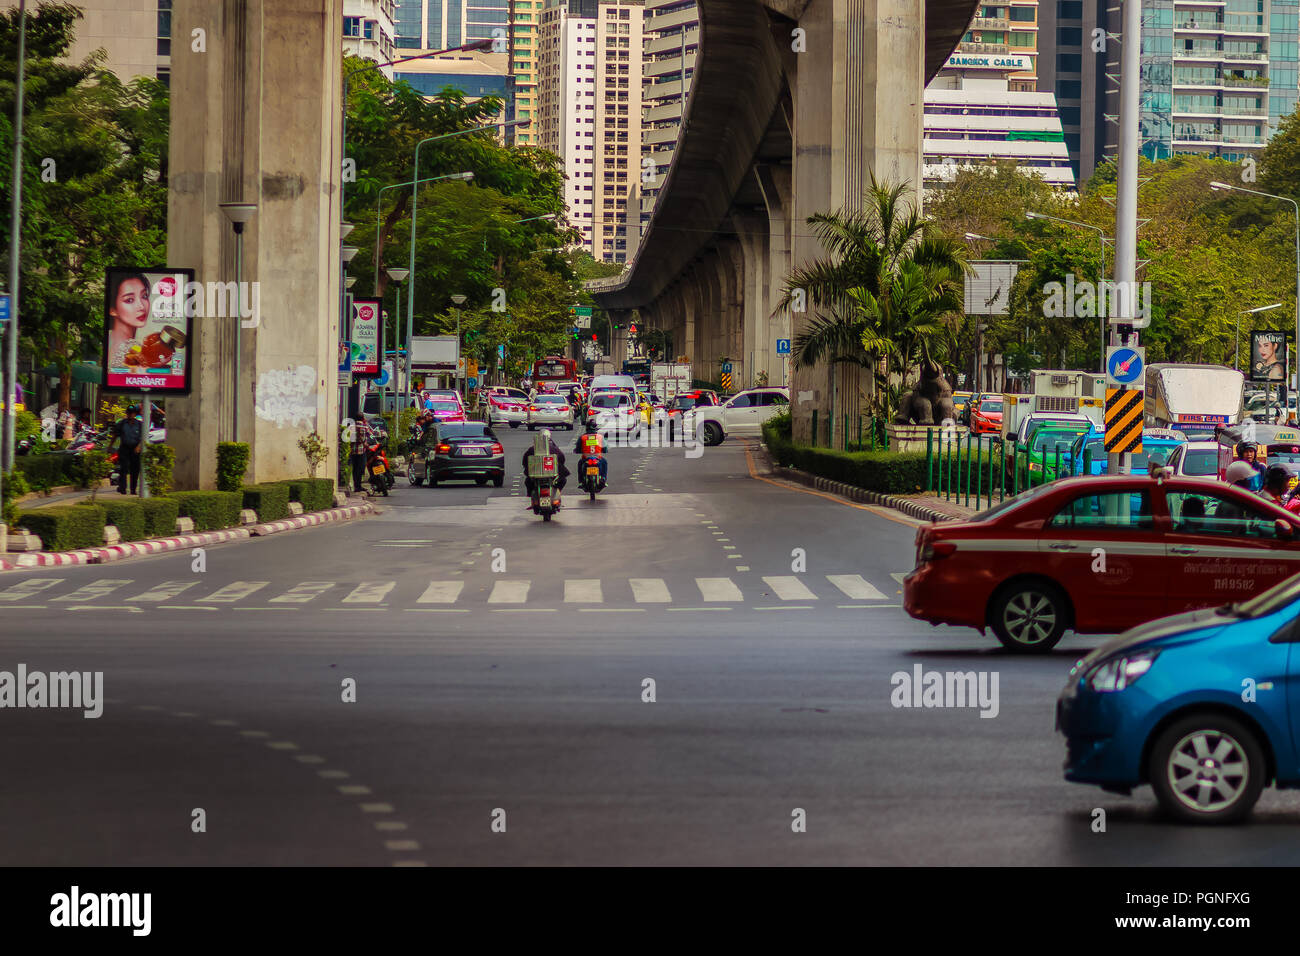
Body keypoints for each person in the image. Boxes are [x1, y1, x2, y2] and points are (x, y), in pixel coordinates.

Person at [107, 272, 152, 369]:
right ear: (112, 309)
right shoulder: (131, 350)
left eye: (144, 296)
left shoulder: (111, 340)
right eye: (129, 300)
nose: (141, 306)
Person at [521, 428, 568, 507]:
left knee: (528, 481)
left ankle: (531, 496)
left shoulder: (532, 448)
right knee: (563, 480)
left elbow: (525, 461)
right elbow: (562, 459)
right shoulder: (555, 448)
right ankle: (556, 495)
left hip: (536, 476)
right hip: (551, 474)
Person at [112, 404, 144, 495]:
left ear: (135, 414)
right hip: (124, 448)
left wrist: (139, 446)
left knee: (135, 470)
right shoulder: (121, 423)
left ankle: (133, 489)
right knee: (123, 469)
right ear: (127, 413)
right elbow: (115, 435)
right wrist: (110, 446)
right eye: (129, 413)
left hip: (135, 449)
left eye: (132, 413)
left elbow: (143, 437)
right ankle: (123, 488)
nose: (130, 415)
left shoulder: (139, 424)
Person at [573, 418, 608, 486]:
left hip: (585, 459)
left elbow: (578, 449)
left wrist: (577, 451)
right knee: (605, 463)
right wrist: (604, 450)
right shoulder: (600, 437)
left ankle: (581, 481)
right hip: (598, 458)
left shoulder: (583, 437)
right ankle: (603, 478)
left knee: (580, 464)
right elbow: (605, 448)